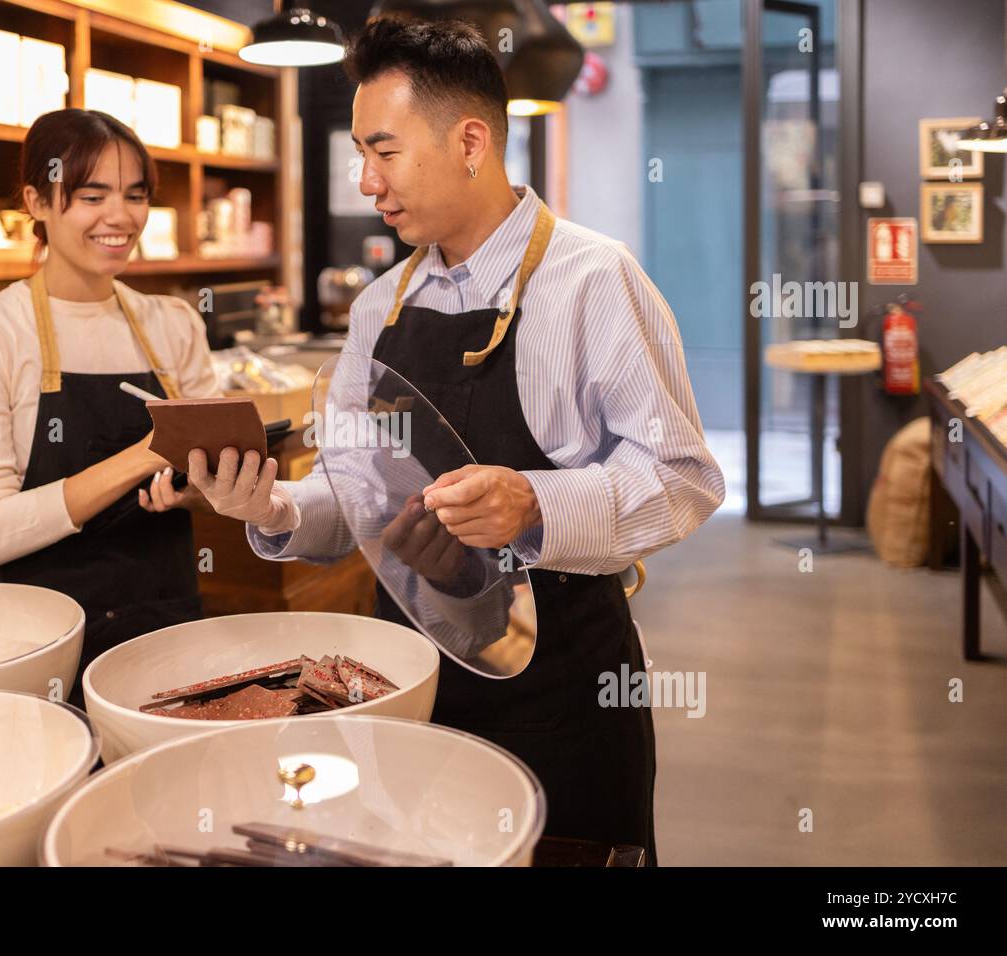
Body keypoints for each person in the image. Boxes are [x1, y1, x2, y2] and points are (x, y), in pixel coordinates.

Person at [188, 17, 725, 864]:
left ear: (471, 140)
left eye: (385, 151)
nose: (366, 180)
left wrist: (533, 502)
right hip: (404, 674)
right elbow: (360, 496)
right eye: (361, 154)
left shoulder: (594, 280)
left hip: (561, 682)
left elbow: (683, 477)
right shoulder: (381, 308)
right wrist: (280, 506)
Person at [0, 109, 216, 706]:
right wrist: (141, 458)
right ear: (36, 201)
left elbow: (210, 479)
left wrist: (194, 490)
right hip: (42, 647)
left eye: (136, 195)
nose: (120, 217)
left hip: (167, 632)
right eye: (91, 195)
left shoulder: (172, 324)